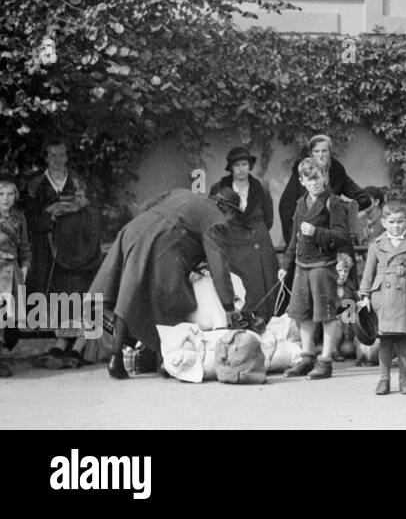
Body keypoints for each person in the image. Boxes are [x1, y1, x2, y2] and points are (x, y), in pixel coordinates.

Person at [89, 189, 246, 379]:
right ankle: (166, 360)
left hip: (135, 229)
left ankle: (117, 358)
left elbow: (146, 204)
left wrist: (153, 226)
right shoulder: (216, 219)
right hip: (163, 243)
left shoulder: (183, 193)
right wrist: (228, 306)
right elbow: (218, 263)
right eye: (233, 216)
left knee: (127, 294)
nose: (230, 220)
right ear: (226, 209)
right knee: (171, 302)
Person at [24, 138, 101, 361]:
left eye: (62, 155)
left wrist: (79, 206)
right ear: (47, 158)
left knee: (74, 291)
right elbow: (31, 218)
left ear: (67, 157)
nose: (58, 160)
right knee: (55, 293)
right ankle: (61, 339)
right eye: (53, 155)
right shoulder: (36, 184)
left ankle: (74, 342)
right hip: (47, 249)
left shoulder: (77, 180)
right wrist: (51, 211)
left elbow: (90, 211)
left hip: (74, 248)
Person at [278, 159, 353, 380]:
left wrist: (316, 232)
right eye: (309, 180)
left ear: (324, 176)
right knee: (303, 314)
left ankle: (326, 361)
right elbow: (295, 238)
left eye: (318, 177)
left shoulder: (334, 202)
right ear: (301, 181)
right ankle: (307, 357)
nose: (314, 183)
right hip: (302, 266)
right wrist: (285, 265)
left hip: (323, 265)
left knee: (327, 314)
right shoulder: (300, 203)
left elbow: (341, 236)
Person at [358, 200, 406, 395]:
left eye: (400, 222)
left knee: (404, 340)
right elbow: (368, 272)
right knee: (385, 340)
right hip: (382, 297)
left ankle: (404, 380)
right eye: (392, 222)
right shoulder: (376, 244)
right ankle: (384, 379)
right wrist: (364, 295)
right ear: (384, 223)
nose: (396, 226)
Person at [208, 145, 280, 322]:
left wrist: (256, 231)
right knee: (242, 283)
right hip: (233, 242)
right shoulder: (219, 188)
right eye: (237, 165)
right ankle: (241, 318)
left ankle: (265, 318)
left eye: (245, 164)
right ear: (231, 168)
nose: (241, 169)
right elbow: (213, 216)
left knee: (263, 283)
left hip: (258, 239)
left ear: (249, 166)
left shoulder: (260, 187)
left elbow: (268, 217)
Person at [276, 134, 370, 249]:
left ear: (330, 152)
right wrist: (293, 238)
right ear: (310, 154)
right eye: (316, 151)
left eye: (324, 151)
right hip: (307, 238)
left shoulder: (336, 171)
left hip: (331, 238)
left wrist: (341, 214)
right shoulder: (301, 173)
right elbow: (285, 207)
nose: (320, 156)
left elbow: (364, 199)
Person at [0, 179, 32, 376]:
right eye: (1, 194)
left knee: (5, 319)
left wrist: (24, 272)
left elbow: (25, 249)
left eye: (10, 194)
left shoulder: (19, 219)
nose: (5, 199)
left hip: (11, 273)